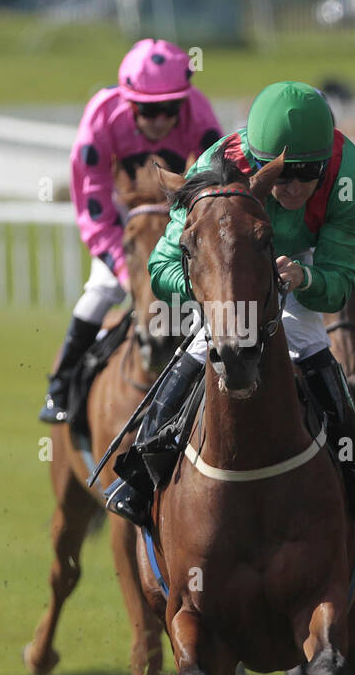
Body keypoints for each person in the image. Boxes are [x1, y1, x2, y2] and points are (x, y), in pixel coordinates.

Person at [103, 81, 355, 526]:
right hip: (230, 261)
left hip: (308, 257)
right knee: (206, 340)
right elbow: (161, 268)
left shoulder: (348, 176)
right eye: (283, 174)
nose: (294, 187)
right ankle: (140, 470)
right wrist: (216, 288)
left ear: (327, 162)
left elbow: (338, 285)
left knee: (306, 334)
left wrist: (305, 277)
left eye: (308, 172)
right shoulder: (216, 166)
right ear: (256, 162)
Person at [40, 39, 222, 424]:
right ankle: (59, 387)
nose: (160, 120)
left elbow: (214, 184)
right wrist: (124, 267)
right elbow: (92, 202)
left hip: (175, 220)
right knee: (103, 289)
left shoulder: (199, 113)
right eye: (148, 109)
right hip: (124, 221)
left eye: (170, 108)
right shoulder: (103, 115)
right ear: (129, 102)